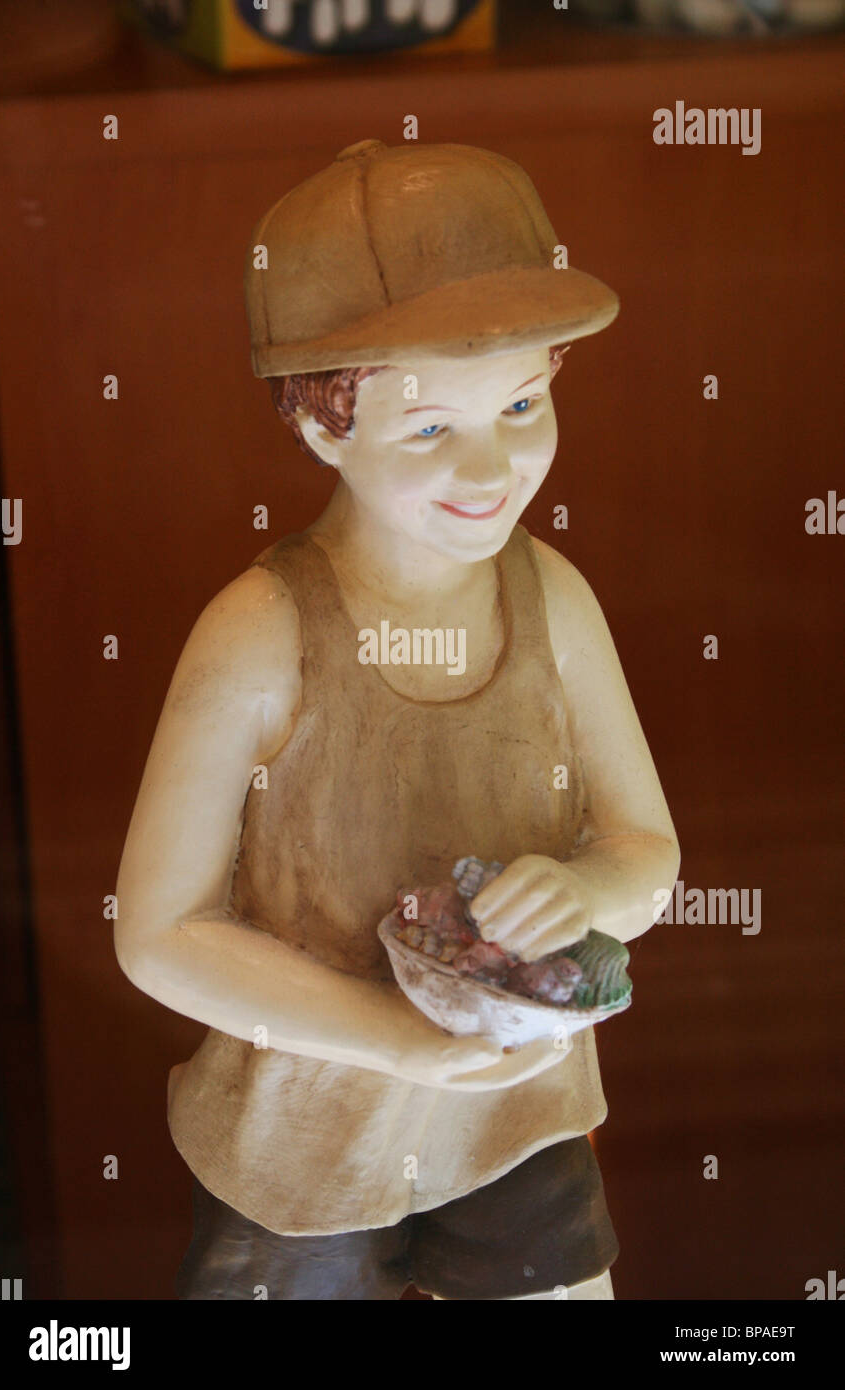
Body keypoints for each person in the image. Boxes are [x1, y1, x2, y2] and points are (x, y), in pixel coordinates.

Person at [114, 139, 680, 1300]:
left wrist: (580, 895)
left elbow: (645, 853)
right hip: (301, 1139)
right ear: (322, 425)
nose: (494, 463)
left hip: (512, 1111)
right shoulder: (261, 632)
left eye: (522, 403)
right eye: (428, 428)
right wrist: (390, 1037)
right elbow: (160, 930)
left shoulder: (550, 599)